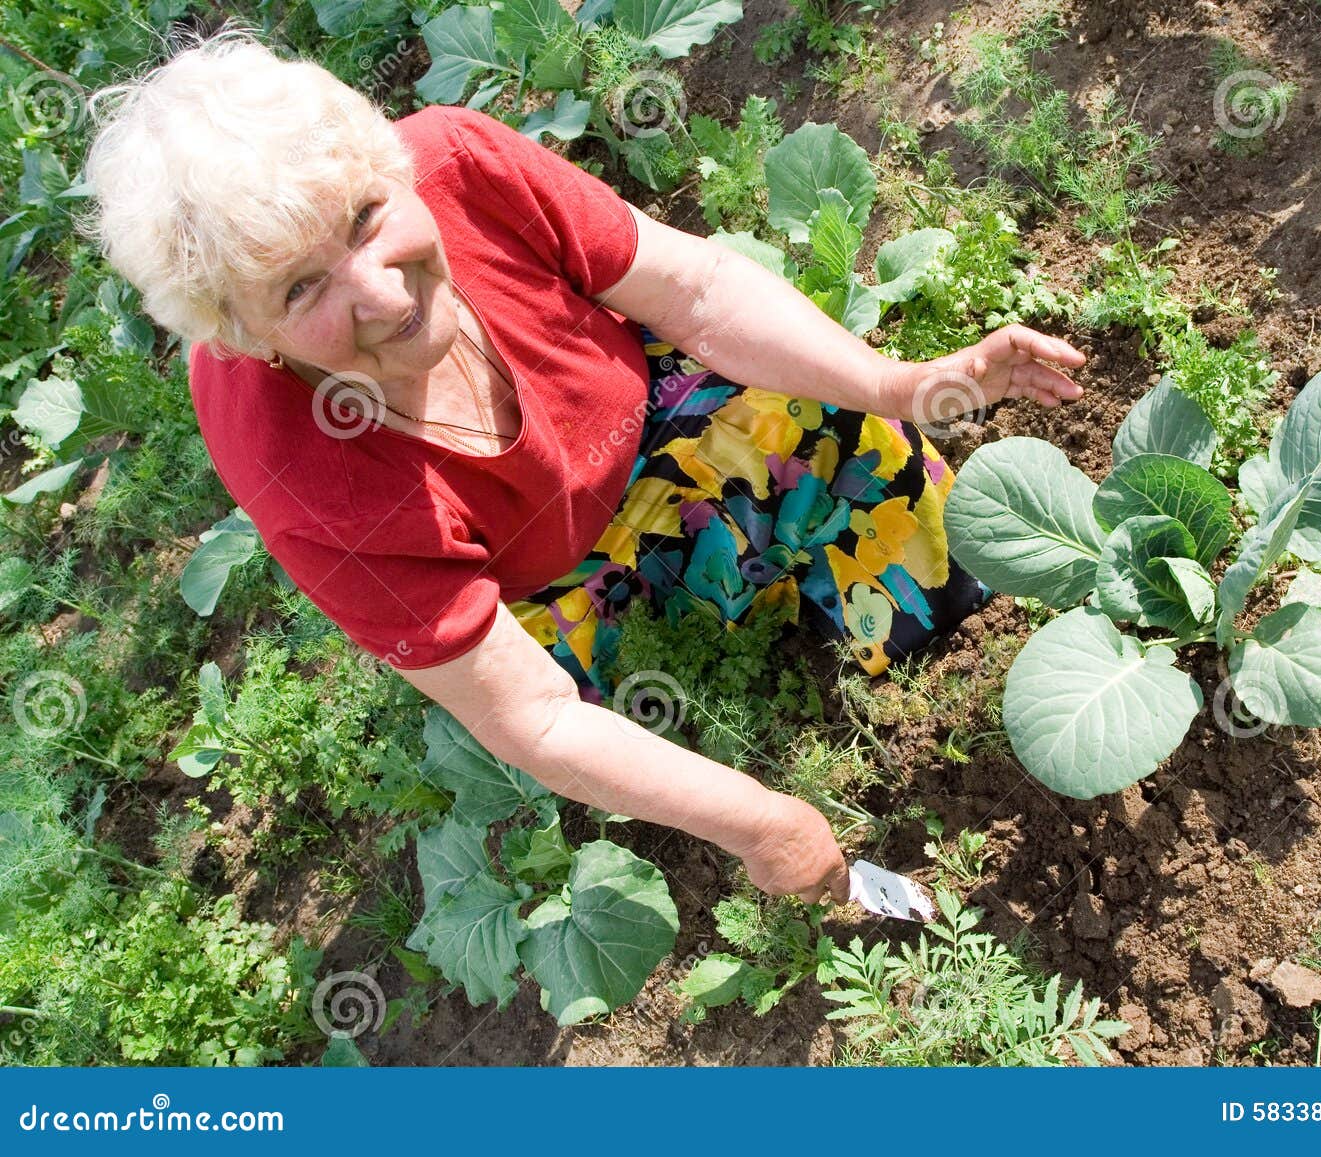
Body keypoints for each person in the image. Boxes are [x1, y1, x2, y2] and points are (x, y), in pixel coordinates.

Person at [79, 28, 1086, 905]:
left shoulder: (459, 160)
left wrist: (908, 382)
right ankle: (746, 655)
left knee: (835, 428)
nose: (381, 294)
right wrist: (769, 827)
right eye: (304, 289)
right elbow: (533, 716)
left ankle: (908, 625)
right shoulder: (297, 458)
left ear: (390, 167)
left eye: (364, 218)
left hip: (658, 427)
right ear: (247, 334)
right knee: (663, 723)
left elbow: (695, 291)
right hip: (558, 590)